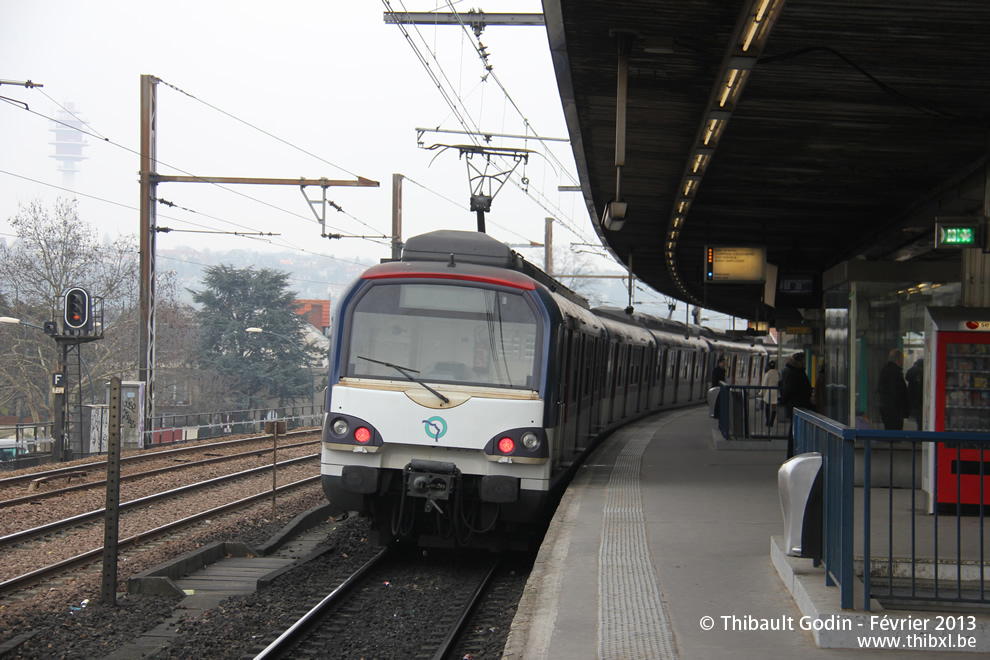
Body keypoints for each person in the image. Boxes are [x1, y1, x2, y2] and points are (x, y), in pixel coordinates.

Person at [779, 352, 812, 459]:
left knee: (795, 432)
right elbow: (790, 390)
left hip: (797, 406)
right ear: (800, 361)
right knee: (795, 433)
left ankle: (795, 455)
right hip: (798, 407)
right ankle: (793, 455)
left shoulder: (792, 372)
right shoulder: (794, 373)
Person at [877, 349, 909, 431]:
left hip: (885, 407)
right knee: (895, 433)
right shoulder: (896, 372)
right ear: (899, 359)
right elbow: (897, 392)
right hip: (894, 410)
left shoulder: (884, 370)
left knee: (889, 431)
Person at [761, 360, 780, 431]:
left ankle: (767, 421)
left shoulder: (767, 374)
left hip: (768, 392)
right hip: (775, 391)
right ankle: (772, 422)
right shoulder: (777, 373)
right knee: (774, 407)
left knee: (767, 406)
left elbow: (764, 384)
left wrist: (761, 393)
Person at [905, 358, 924, 429]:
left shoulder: (913, 373)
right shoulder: (916, 374)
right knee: (920, 420)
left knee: (919, 421)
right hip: (918, 401)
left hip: (915, 401)